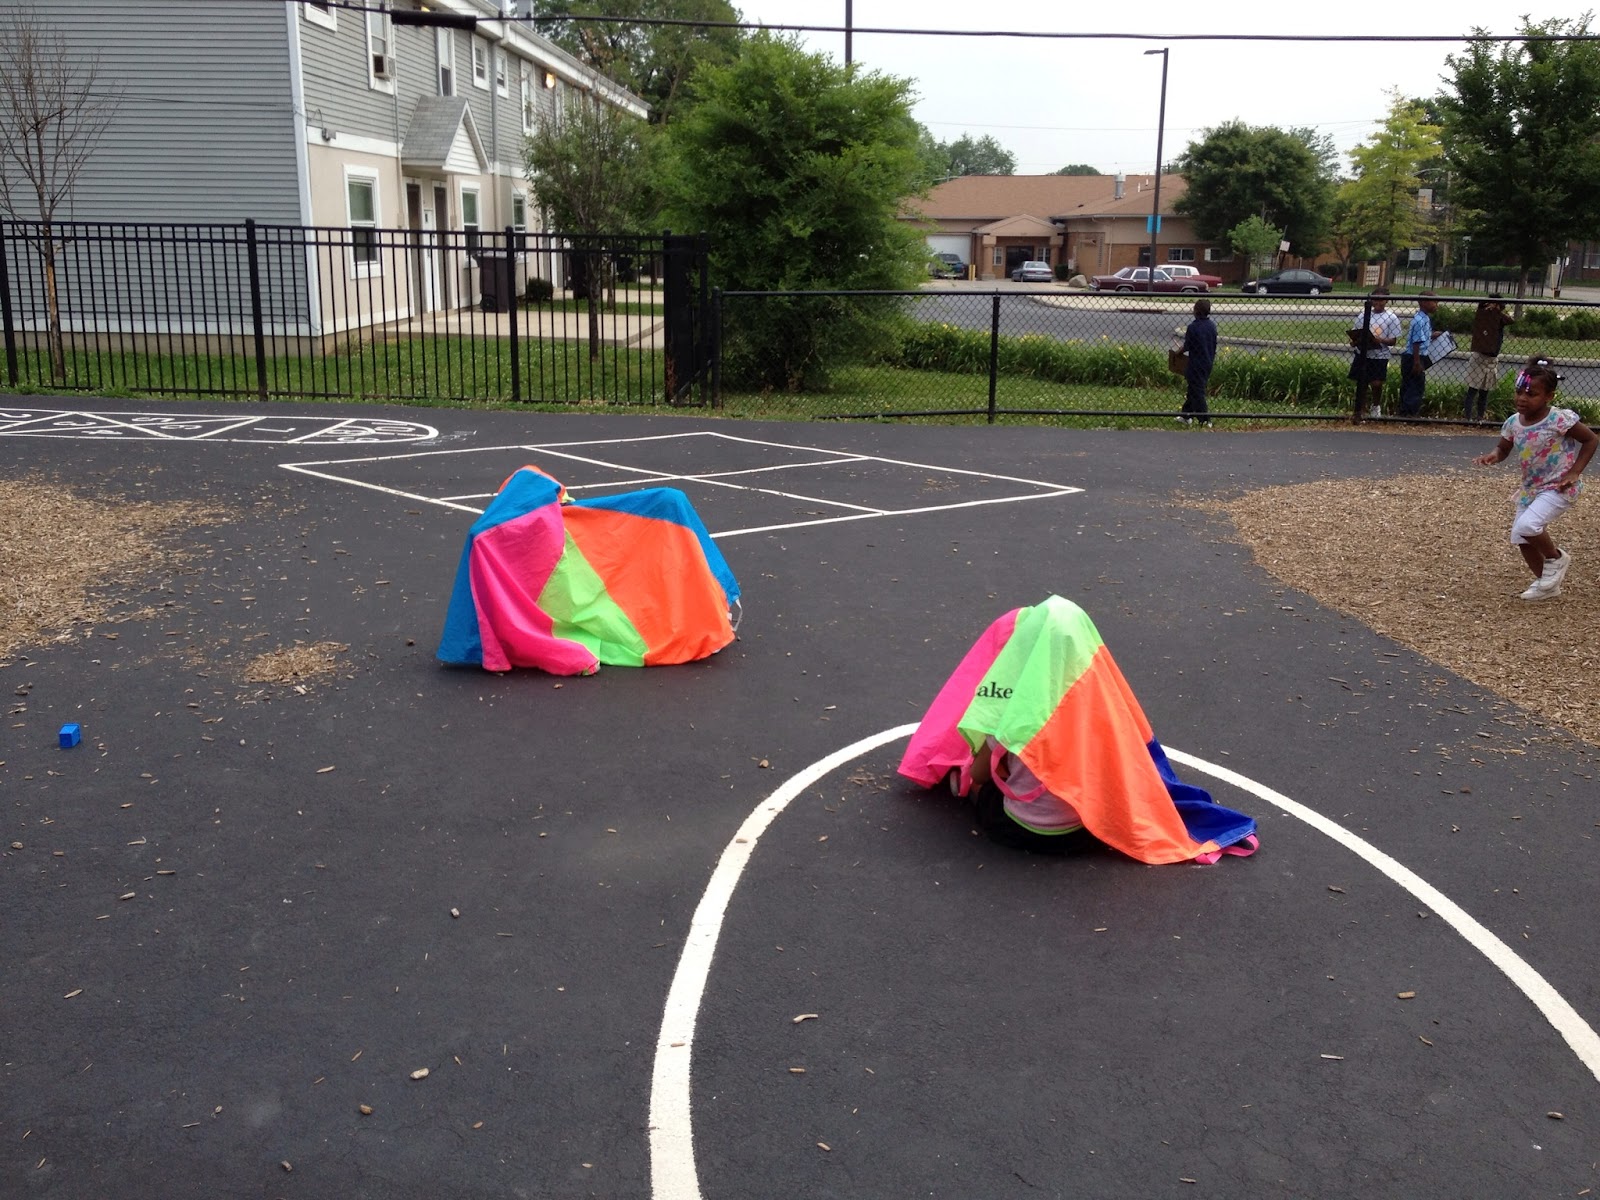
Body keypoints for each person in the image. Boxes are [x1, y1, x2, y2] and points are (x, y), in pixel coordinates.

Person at [1473, 356, 1597, 600]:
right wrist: (1494, 455)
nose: (1522, 398)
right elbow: (1504, 448)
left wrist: (1575, 472)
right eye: (1519, 392)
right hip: (1531, 489)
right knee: (1522, 537)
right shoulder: (1513, 423)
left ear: (1549, 396)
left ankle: (1556, 558)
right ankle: (1546, 585)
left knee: (1528, 526)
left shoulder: (1559, 419)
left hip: (1559, 487)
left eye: (1531, 394)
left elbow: (1591, 439)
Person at [1349, 287, 1401, 417]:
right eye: (1374, 299)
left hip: (1380, 355)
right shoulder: (1364, 314)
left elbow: (1393, 340)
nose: (1377, 302)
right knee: (1362, 382)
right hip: (1363, 353)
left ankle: (1376, 406)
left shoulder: (1391, 317)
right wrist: (1355, 341)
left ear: (1386, 301)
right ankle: (1360, 409)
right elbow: (1356, 331)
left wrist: (1380, 340)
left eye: (1381, 299)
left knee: (1376, 383)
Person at [1463, 294, 1515, 420]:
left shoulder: (1499, 318)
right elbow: (1480, 307)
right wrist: (1486, 306)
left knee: (1484, 391)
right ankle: (1467, 417)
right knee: (1473, 389)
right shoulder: (1482, 314)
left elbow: (1511, 321)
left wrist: (1496, 310)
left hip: (1491, 359)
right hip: (1480, 357)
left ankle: (1480, 416)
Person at [1398, 290, 1441, 417]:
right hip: (1414, 357)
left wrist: (1432, 335)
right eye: (1434, 302)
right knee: (1415, 386)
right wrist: (1416, 362)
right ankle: (1409, 413)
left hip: (1416, 356)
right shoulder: (1419, 320)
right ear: (1423, 302)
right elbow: (1416, 342)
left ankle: (1405, 412)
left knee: (1411, 384)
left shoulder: (1424, 318)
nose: (1436, 305)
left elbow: (1422, 337)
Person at [1178, 297, 1217, 426]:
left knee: (1197, 391)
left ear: (1196, 311)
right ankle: (1186, 415)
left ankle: (1205, 419)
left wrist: (1178, 352)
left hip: (1195, 363)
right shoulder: (1212, 326)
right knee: (1193, 389)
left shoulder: (1192, 327)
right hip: (1208, 361)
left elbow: (1188, 346)